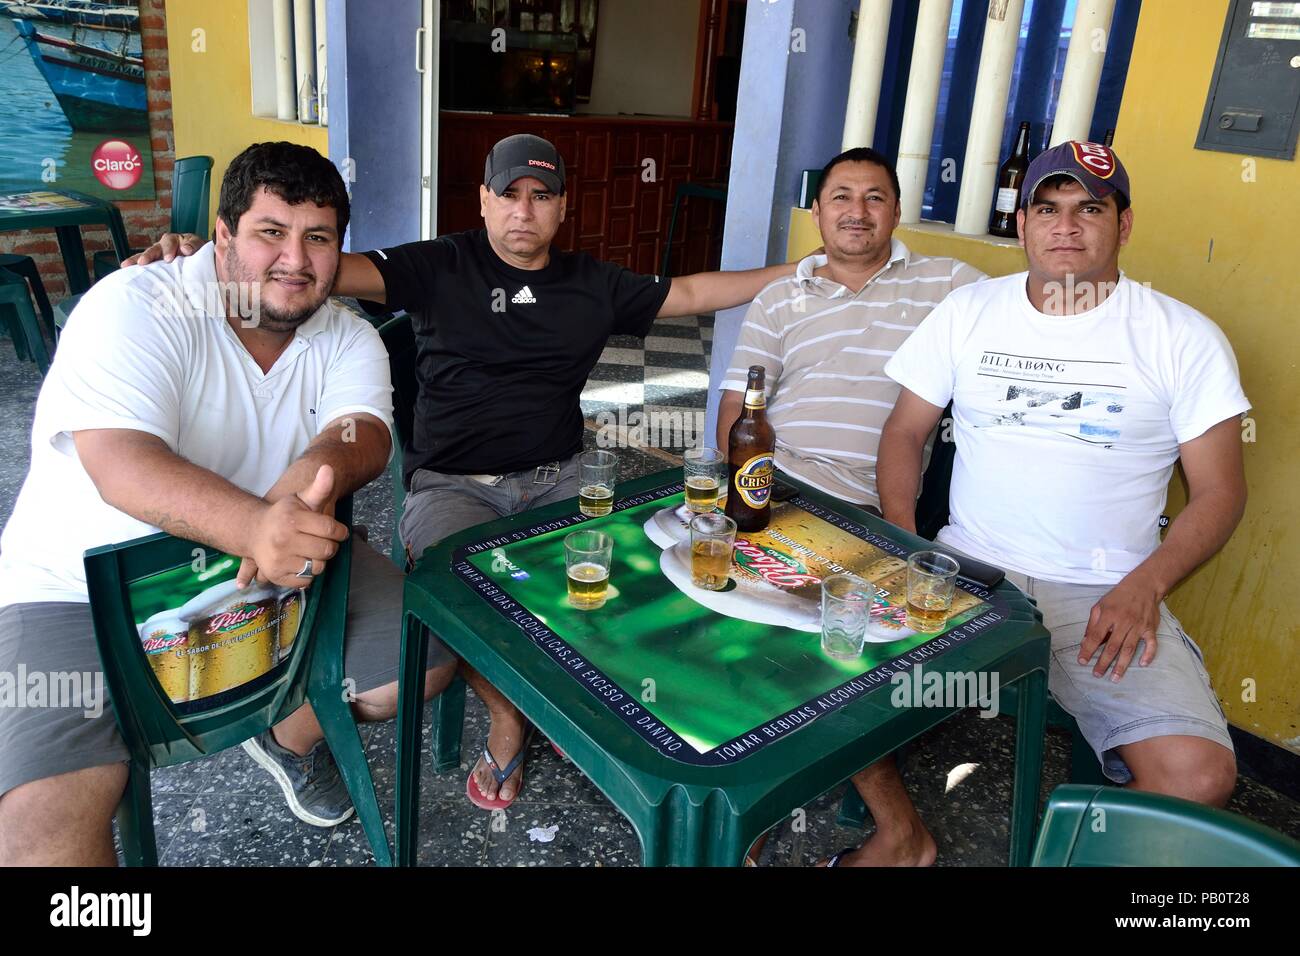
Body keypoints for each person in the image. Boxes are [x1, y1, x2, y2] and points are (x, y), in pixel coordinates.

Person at [129, 133, 799, 811]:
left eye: (541, 197)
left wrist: (795, 273)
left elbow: (688, 292)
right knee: (468, 605)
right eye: (508, 194)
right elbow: (307, 268)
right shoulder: (441, 265)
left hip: (563, 477)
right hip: (453, 484)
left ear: (562, 208)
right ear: (483, 200)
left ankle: (599, 708)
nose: (524, 211)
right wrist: (202, 255)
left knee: (622, 582)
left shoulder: (590, 283)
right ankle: (510, 718)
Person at [0, 142, 457, 865]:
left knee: (426, 653)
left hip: (274, 566)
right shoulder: (135, 304)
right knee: (40, 834)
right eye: (270, 233)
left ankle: (286, 736)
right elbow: (120, 462)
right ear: (222, 237)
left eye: (319, 238)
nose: (295, 261)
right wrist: (253, 526)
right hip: (77, 590)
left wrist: (316, 466)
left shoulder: (345, 333)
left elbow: (362, 432)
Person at [869, 141, 1246, 867]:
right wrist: (902, 541)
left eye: (1089, 209)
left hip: (1103, 592)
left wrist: (1146, 585)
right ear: (1022, 225)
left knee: (1199, 776)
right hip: (963, 572)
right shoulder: (969, 311)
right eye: (1048, 209)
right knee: (810, 677)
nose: (1065, 226)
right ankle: (898, 834)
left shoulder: (1183, 338)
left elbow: (1221, 492)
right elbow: (906, 431)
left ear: (1124, 225)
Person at [716, 146, 983, 865]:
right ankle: (748, 791)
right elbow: (739, 411)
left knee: (798, 645)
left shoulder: (951, 284)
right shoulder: (782, 296)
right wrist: (745, 492)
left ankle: (896, 834)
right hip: (776, 489)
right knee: (701, 596)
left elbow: (1023, 327)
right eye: (841, 197)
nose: (856, 211)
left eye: (874, 197)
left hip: (863, 505)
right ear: (817, 213)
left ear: (896, 213)